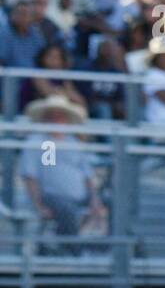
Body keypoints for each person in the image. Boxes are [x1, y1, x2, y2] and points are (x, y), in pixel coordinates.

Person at [19, 94, 104, 243]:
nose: (56, 120)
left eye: (60, 116)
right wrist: (38, 205)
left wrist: (94, 199)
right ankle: (73, 250)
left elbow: (88, 175)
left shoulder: (74, 142)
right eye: (52, 116)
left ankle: (113, 250)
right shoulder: (44, 142)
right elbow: (40, 176)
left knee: (114, 203)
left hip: (79, 197)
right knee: (66, 209)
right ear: (45, 119)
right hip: (54, 197)